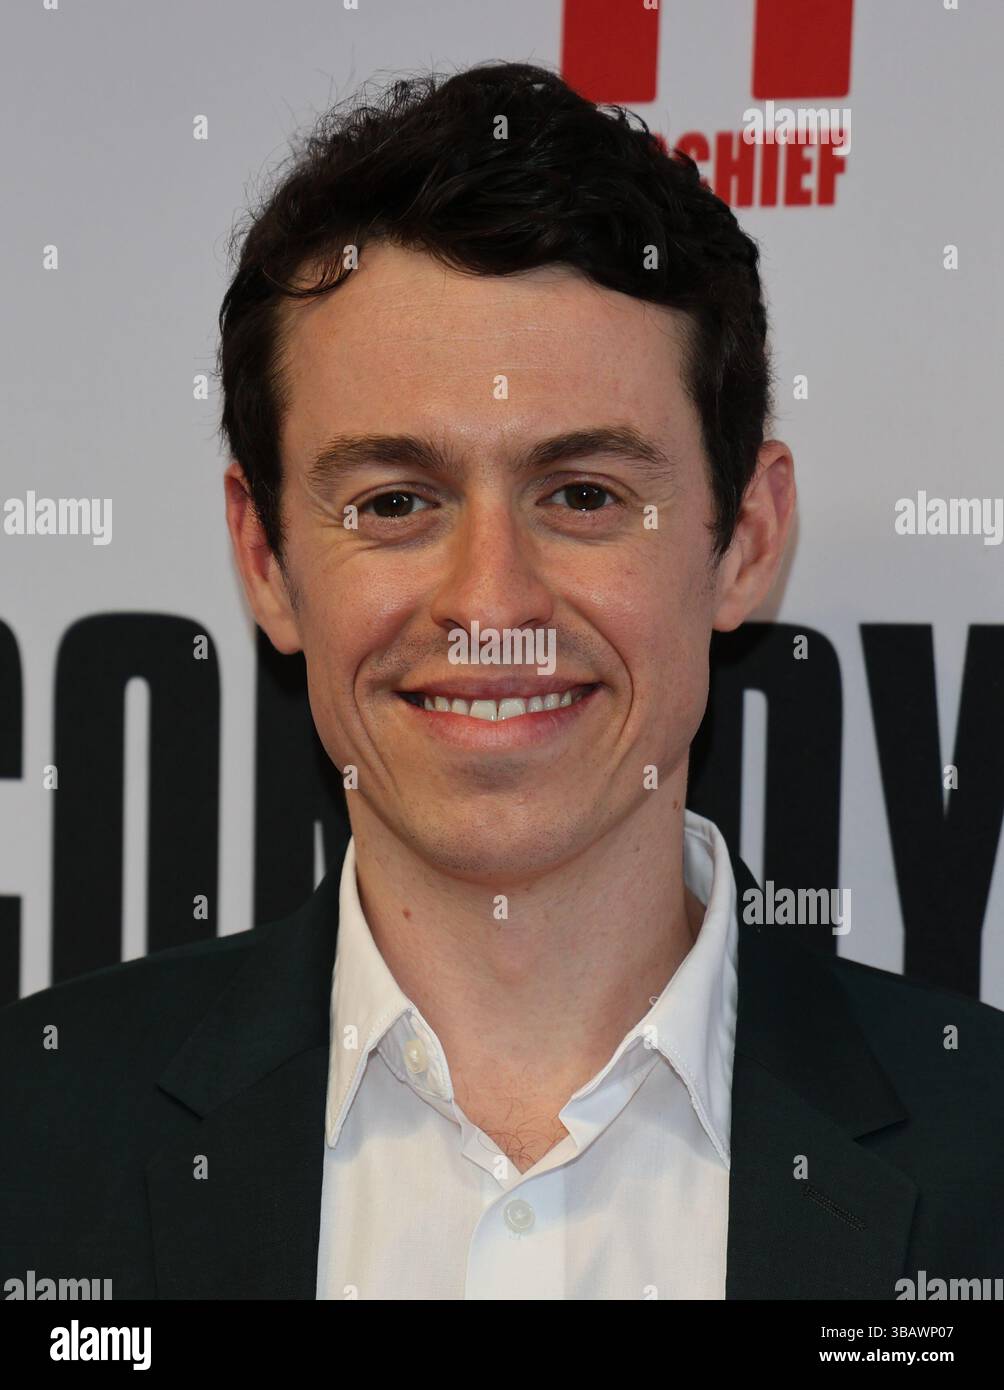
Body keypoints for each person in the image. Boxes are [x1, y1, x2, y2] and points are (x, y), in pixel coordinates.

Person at [3, 61, 1003, 1302]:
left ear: (742, 538)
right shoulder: (30, 1145)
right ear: (265, 560)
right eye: (395, 502)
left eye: (581, 494)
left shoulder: (985, 1152)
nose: (489, 605)